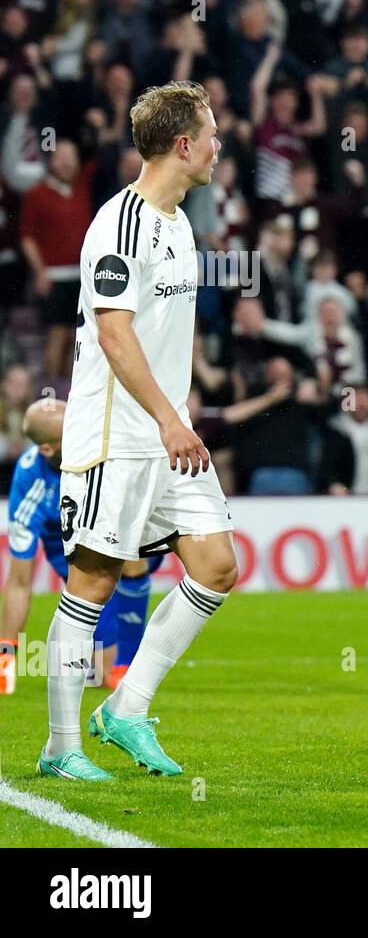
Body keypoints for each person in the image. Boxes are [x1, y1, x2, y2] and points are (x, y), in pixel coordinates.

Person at [41, 80, 238, 782]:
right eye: (212, 134)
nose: (219, 146)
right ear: (183, 144)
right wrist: (165, 420)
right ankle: (63, 746)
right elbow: (116, 336)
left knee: (216, 564)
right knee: (90, 584)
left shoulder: (181, 223)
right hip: (116, 435)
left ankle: (125, 709)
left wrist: (178, 411)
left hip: (166, 430)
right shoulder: (119, 224)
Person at [0, 400, 160, 695]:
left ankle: (127, 665)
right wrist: (5, 656)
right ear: (47, 449)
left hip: (120, 546)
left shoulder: (103, 453)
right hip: (79, 570)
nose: (82, 434)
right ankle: (108, 665)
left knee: (133, 554)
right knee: (99, 676)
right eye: (70, 433)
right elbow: (19, 581)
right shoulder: (30, 483)